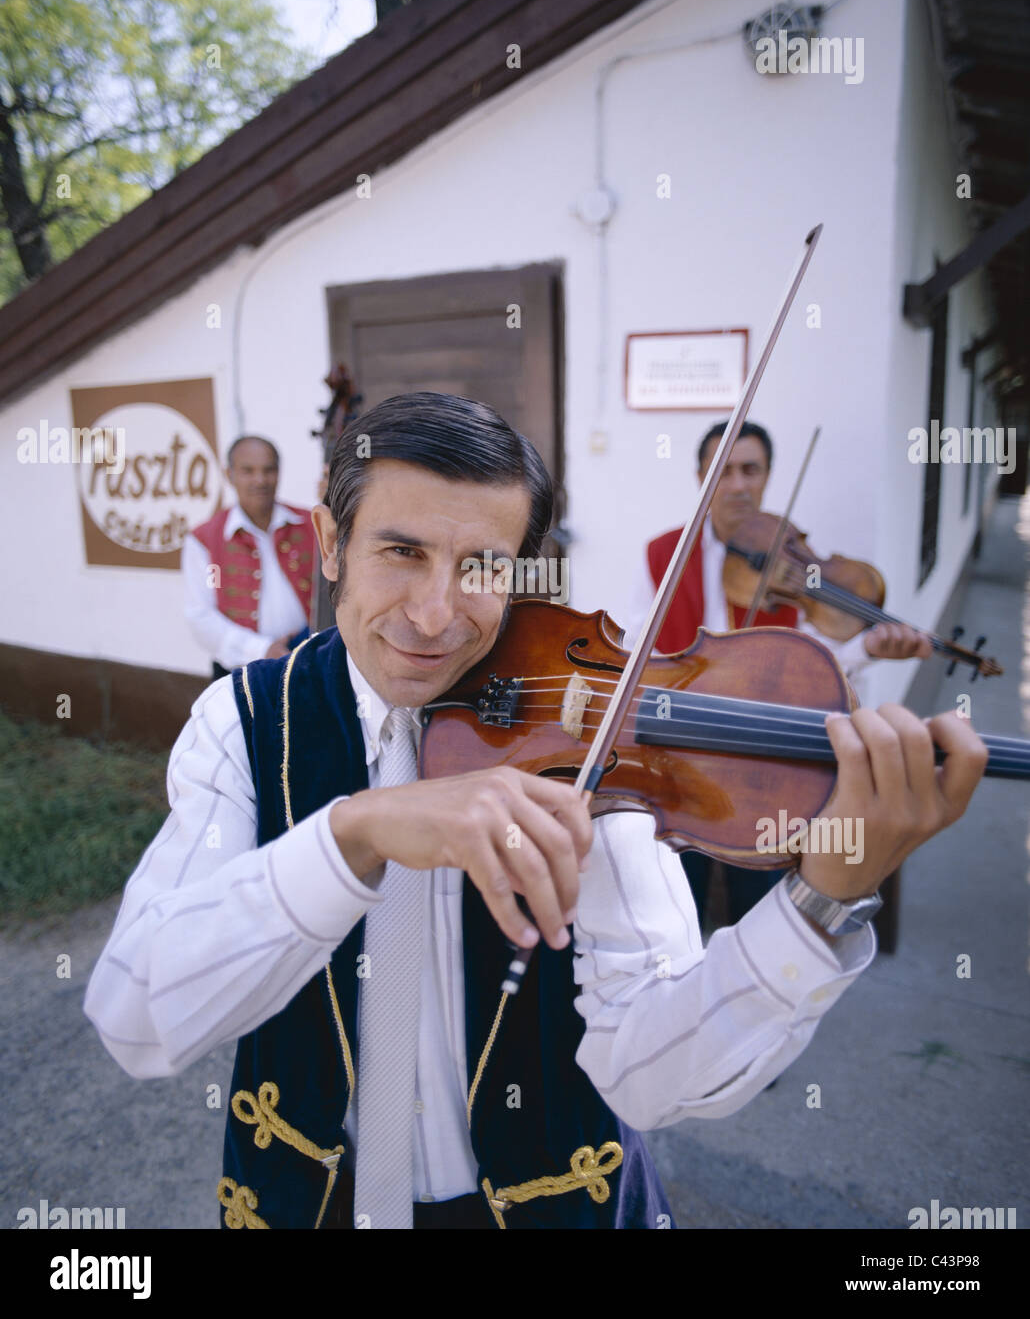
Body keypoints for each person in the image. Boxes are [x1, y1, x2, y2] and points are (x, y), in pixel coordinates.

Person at [85, 392, 986, 1230]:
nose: (436, 615)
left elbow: (651, 1077)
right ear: (330, 544)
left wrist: (823, 900)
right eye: (401, 552)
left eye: (481, 566)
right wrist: (349, 837)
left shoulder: (581, 743)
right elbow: (135, 1018)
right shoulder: (245, 723)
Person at [623, 420, 934, 927]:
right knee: (676, 891)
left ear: (767, 477)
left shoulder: (790, 559)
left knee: (763, 895)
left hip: (764, 757)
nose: (739, 485)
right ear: (702, 477)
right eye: (723, 472)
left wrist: (869, 648)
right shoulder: (663, 552)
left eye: (751, 470)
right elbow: (639, 648)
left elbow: (818, 659)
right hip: (683, 753)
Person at [183, 435, 316, 678]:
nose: (260, 480)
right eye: (248, 471)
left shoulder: (311, 524)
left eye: (268, 470)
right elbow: (200, 616)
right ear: (229, 474)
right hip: (243, 673)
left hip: (309, 662)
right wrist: (263, 649)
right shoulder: (205, 541)